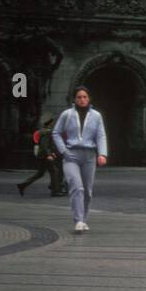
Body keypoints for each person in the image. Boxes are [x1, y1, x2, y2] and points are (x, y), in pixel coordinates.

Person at [51, 86, 108, 233]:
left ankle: (84, 219)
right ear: (74, 99)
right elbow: (56, 132)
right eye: (79, 97)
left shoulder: (96, 116)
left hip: (89, 156)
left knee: (88, 191)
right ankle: (78, 221)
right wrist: (63, 150)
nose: (82, 100)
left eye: (85, 97)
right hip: (71, 156)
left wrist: (102, 154)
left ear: (89, 99)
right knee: (77, 187)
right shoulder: (67, 114)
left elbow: (101, 135)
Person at [18, 114, 65, 197]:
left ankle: (22, 185)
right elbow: (44, 145)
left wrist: (51, 152)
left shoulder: (41, 131)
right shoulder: (48, 132)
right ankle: (55, 191)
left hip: (41, 155)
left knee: (40, 173)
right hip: (45, 156)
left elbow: (46, 144)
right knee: (55, 171)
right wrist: (49, 154)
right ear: (50, 124)